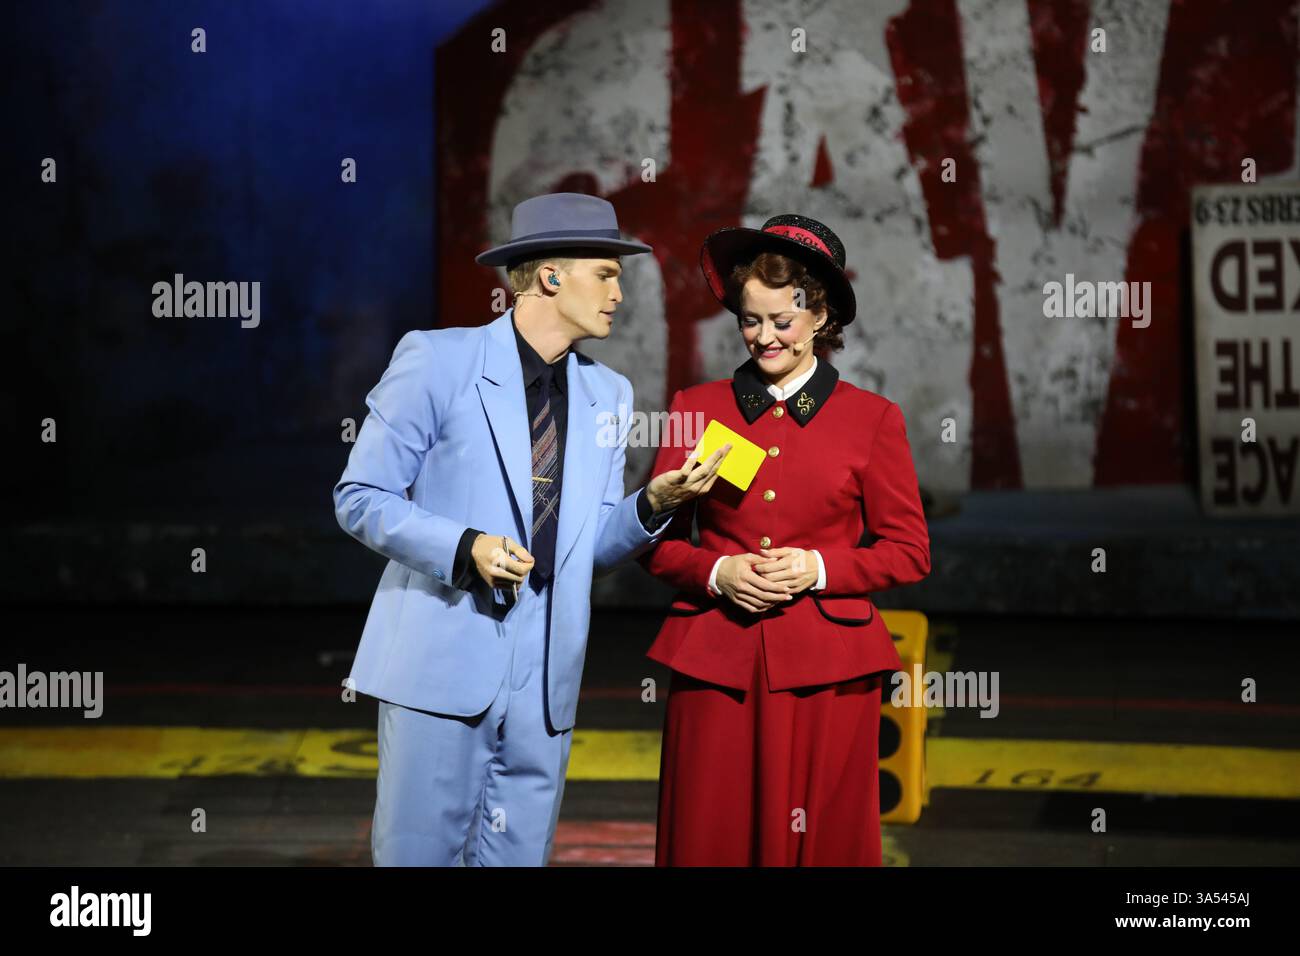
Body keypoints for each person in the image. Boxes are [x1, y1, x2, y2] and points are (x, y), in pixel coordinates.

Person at [333, 192, 727, 866]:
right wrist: (465, 547)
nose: (619, 293)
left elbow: (590, 545)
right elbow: (360, 496)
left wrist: (652, 504)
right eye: (605, 273)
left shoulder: (611, 394)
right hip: (442, 663)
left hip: (546, 681)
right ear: (550, 276)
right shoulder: (438, 361)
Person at [637, 214, 931, 866]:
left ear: (821, 316)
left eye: (782, 321)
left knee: (821, 844)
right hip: (717, 662)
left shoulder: (872, 420)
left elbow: (909, 550)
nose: (763, 337)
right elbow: (652, 538)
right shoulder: (696, 407)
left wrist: (817, 568)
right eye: (749, 320)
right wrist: (719, 574)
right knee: (708, 836)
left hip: (830, 670)